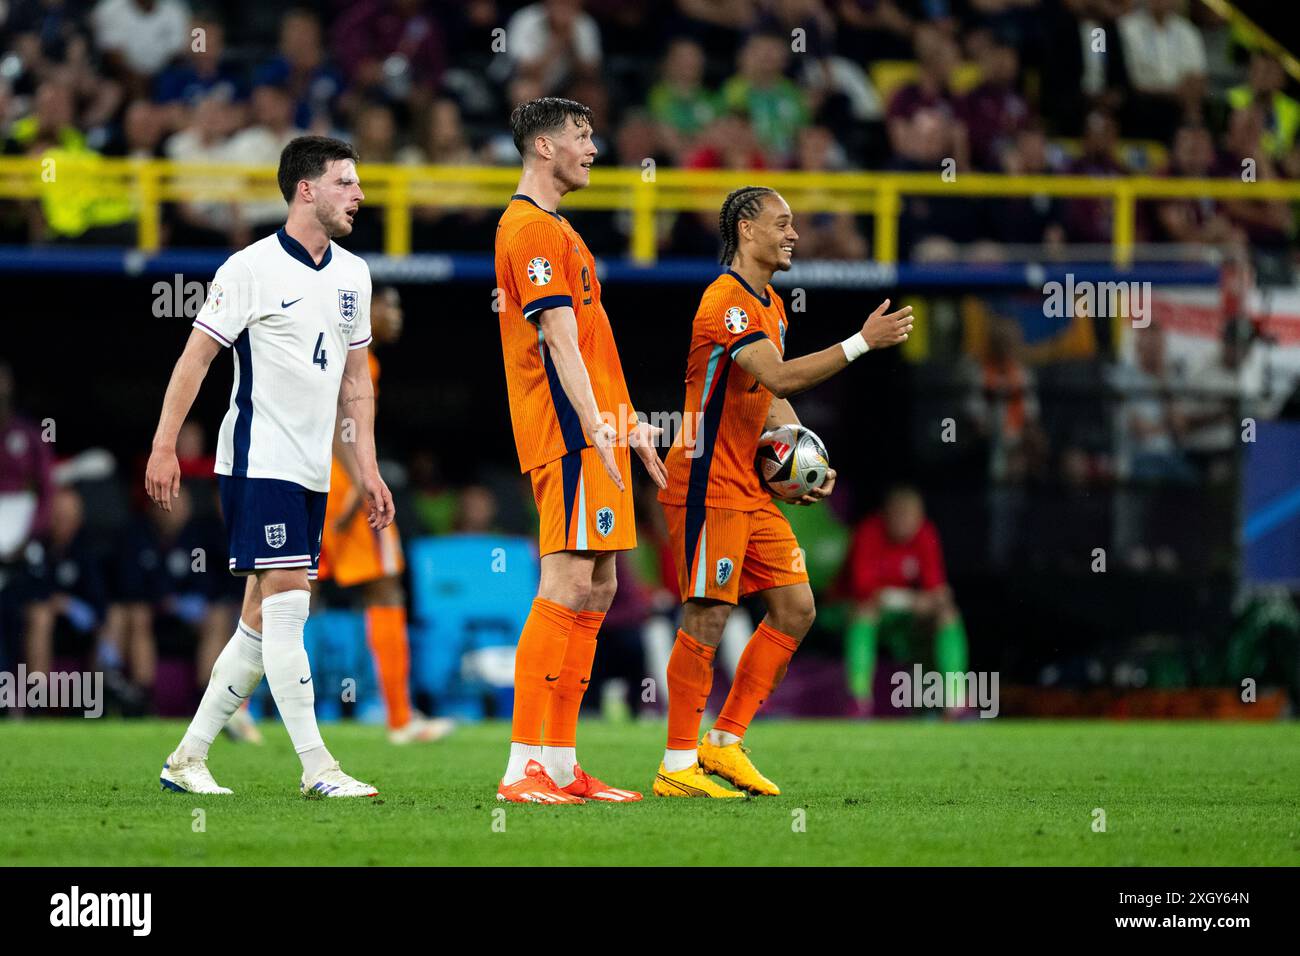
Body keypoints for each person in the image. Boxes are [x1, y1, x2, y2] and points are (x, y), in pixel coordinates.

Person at [145, 135, 394, 798]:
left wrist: (366, 469)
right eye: (346, 182)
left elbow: (356, 384)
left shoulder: (354, 276)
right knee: (289, 605)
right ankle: (319, 767)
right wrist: (165, 444)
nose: (359, 195)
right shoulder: (248, 268)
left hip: (313, 470)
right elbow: (195, 358)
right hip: (259, 461)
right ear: (305, 189)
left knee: (261, 619)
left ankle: (187, 758)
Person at [653, 185, 913, 798]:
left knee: (796, 609)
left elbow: (768, 396)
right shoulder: (726, 301)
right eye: (783, 222)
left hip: (748, 484)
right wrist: (860, 342)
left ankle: (724, 744)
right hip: (705, 484)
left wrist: (804, 458)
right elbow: (778, 373)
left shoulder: (770, 303)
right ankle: (675, 764)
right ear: (747, 229)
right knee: (709, 614)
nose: (794, 233)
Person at [492, 96, 666, 804]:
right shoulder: (528, 229)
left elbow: (590, 343)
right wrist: (596, 424)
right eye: (582, 136)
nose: (594, 147)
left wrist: (626, 423)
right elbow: (557, 337)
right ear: (542, 147)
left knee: (599, 587)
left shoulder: (560, 230)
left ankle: (561, 765)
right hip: (567, 430)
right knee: (564, 581)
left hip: (596, 429)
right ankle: (522, 766)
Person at [317, 285, 453, 744]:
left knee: (284, 593)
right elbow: (337, 423)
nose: (397, 314)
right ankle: (399, 718)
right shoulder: (355, 360)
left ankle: (236, 706)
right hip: (344, 494)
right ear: (365, 309)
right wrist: (360, 488)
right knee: (385, 589)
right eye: (389, 304)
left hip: (324, 486)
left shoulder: (355, 358)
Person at [843, 486, 968, 717]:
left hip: (905, 619)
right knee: (864, 611)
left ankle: (955, 700)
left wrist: (931, 599)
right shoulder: (869, 531)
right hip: (848, 613)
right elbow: (864, 590)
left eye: (910, 515)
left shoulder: (925, 533)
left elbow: (936, 590)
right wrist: (912, 600)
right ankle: (859, 699)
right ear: (886, 514)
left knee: (947, 614)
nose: (904, 521)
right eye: (899, 513)